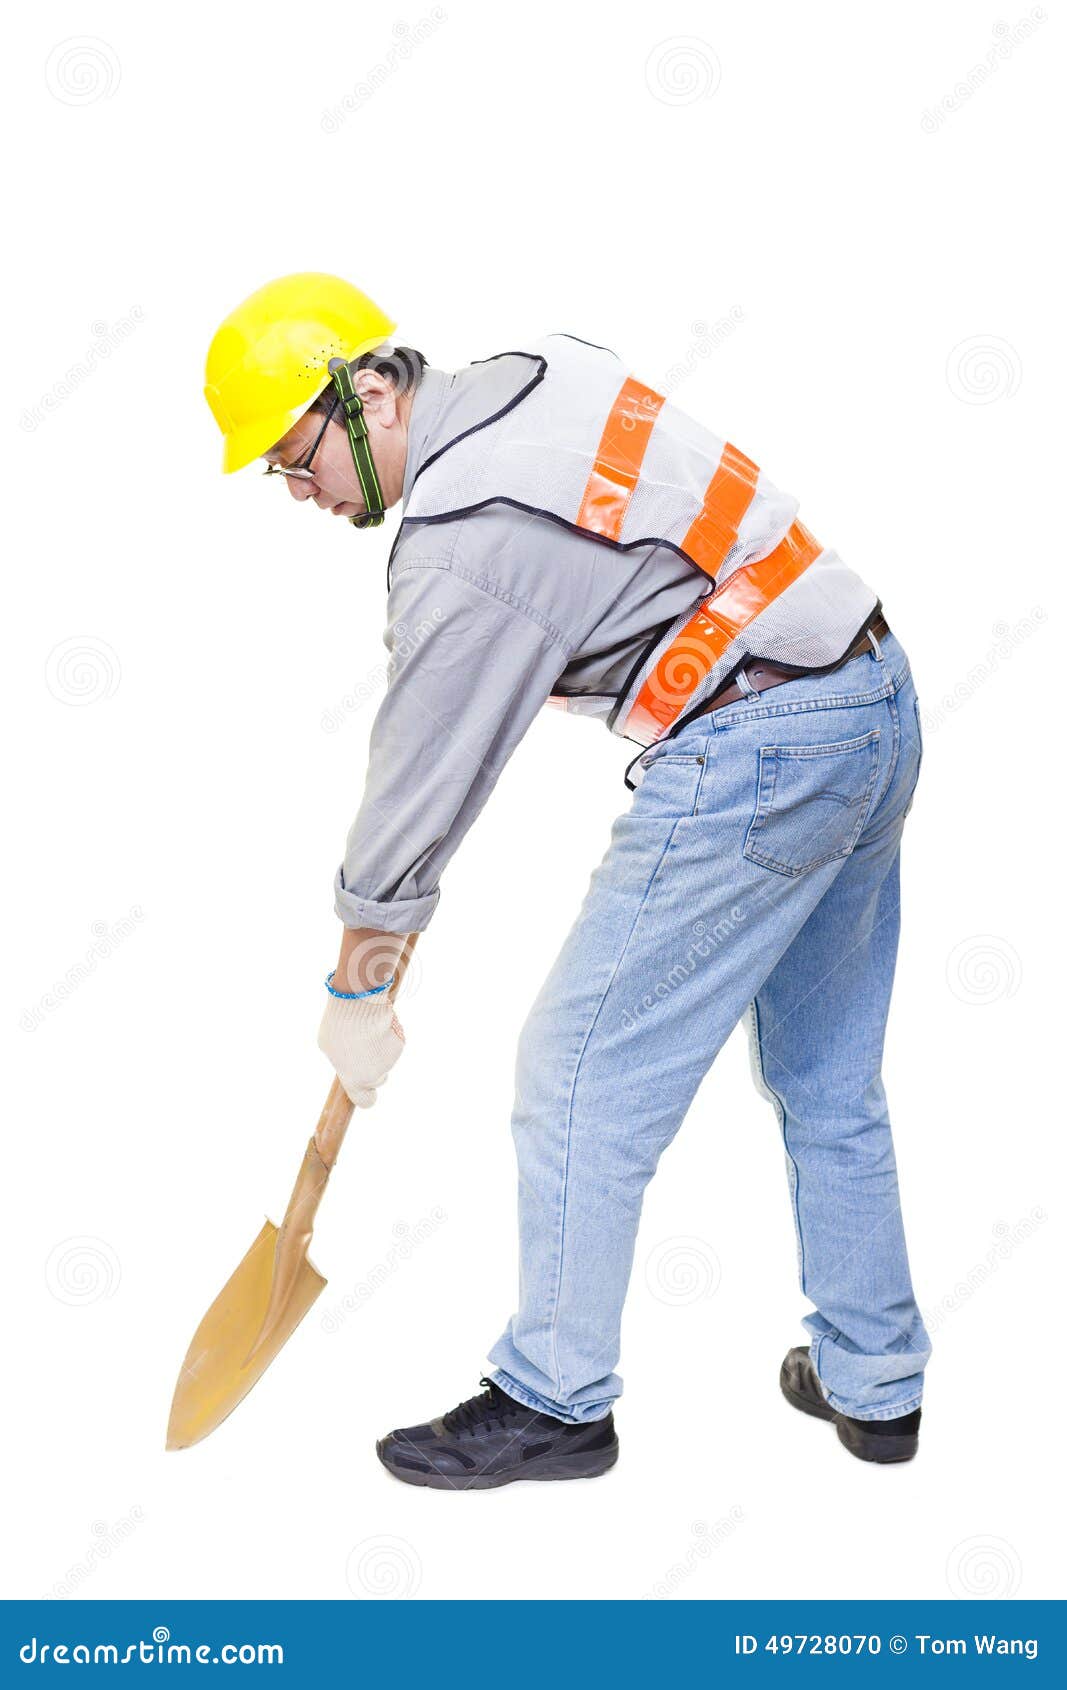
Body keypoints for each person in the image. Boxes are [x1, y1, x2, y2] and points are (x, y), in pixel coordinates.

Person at [205, 272, 930, 1490]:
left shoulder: (460, 543)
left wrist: (355, 990)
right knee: (825, 1072)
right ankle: (875, 1383)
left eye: (296, 455)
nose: (298, 493)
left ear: (370, 390)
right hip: (870, 694)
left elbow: (416, 791)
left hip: (759, 744)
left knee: (575, 1073)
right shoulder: (540, 369)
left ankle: (554, 1396)